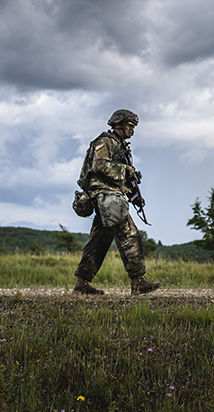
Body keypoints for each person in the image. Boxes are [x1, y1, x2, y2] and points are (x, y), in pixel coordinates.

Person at [72, 109, 161, 295]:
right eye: (130, 126)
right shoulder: (105, 141)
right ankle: (137, 281)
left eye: (134, 127)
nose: (132, 131)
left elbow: (117, 176)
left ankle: (82, 284)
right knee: (129, 233)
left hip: (111, 196)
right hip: (105, 196)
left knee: (99, 240)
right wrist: (125, 169)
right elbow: (99, 165)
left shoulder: (120, 145)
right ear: (118, 125)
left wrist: (132, 192)